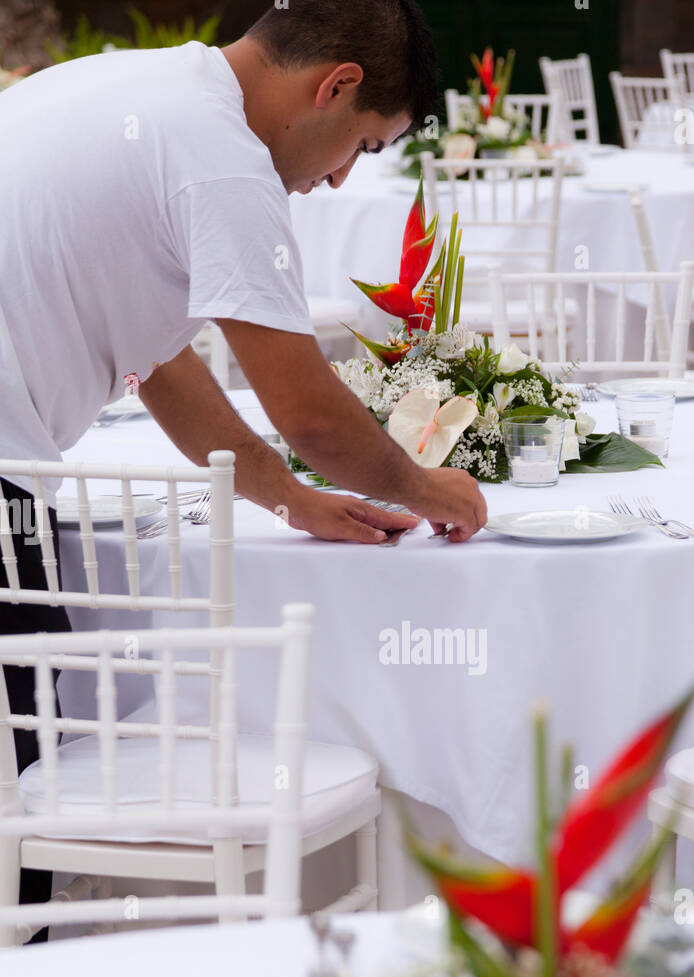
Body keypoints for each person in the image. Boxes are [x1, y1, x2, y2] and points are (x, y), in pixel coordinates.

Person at [0, 0, 487, 917]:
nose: (344, 181)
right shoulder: (220, 157)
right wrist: (430, 489)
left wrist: (288, 500)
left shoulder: (142, 87)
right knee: (18, 799)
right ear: (335, 87)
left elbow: (159, 361)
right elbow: (310, 413)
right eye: (365, 147)